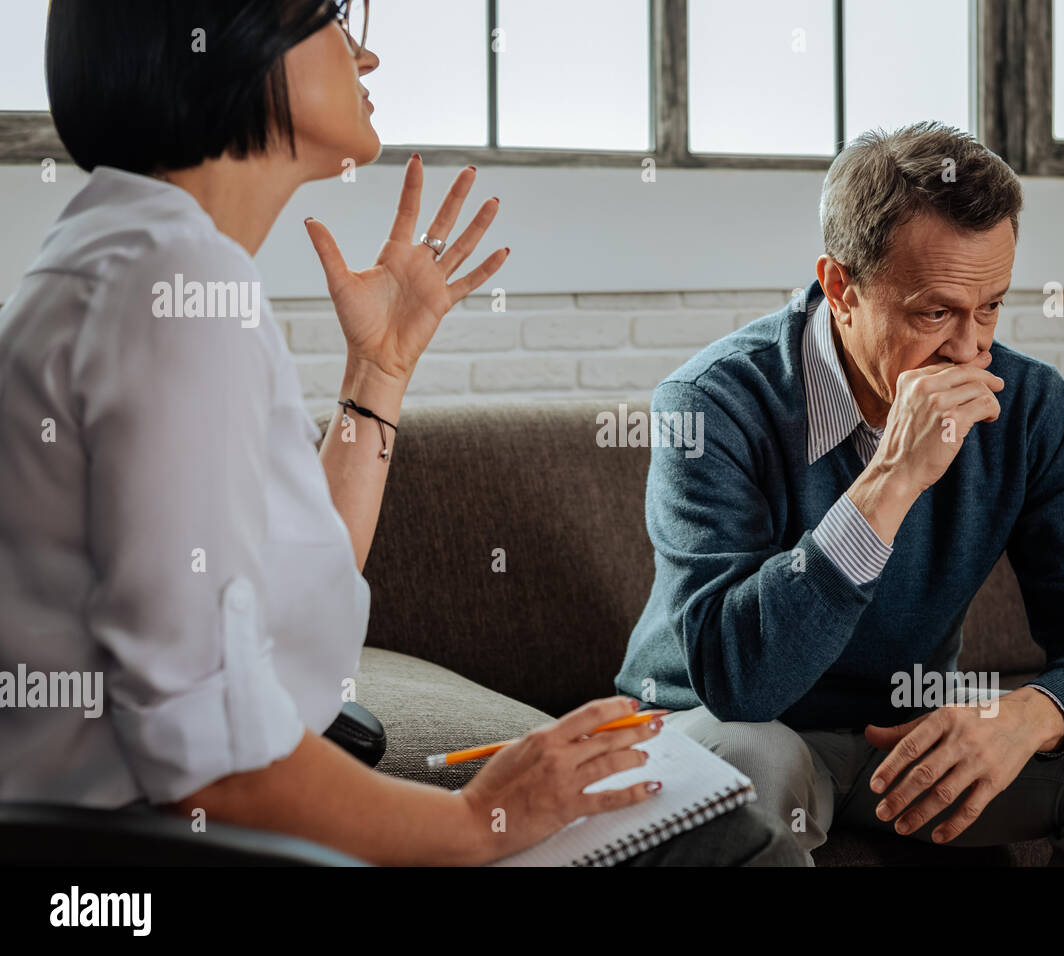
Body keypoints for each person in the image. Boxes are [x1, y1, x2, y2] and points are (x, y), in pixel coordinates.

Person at [0, 0, 801, 867]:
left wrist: (377, 373)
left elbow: (282, 594)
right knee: (729, 840)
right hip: (168, 845)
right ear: (231, 43)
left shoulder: (125, 261)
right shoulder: (175, 289)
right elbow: (214, 764)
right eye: (335, 17)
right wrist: (478, 819)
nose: (367, 56)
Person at [615, 121, 1064, 866]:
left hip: (906, 733)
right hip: (721, 724)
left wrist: (1028, 717)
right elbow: (739, 684)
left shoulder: (1029, 407)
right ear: (840, 289)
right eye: (935, 313)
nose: (969, 349)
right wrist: (892, 479)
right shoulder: (711, 406)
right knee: (752, 763)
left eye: (990, 307)